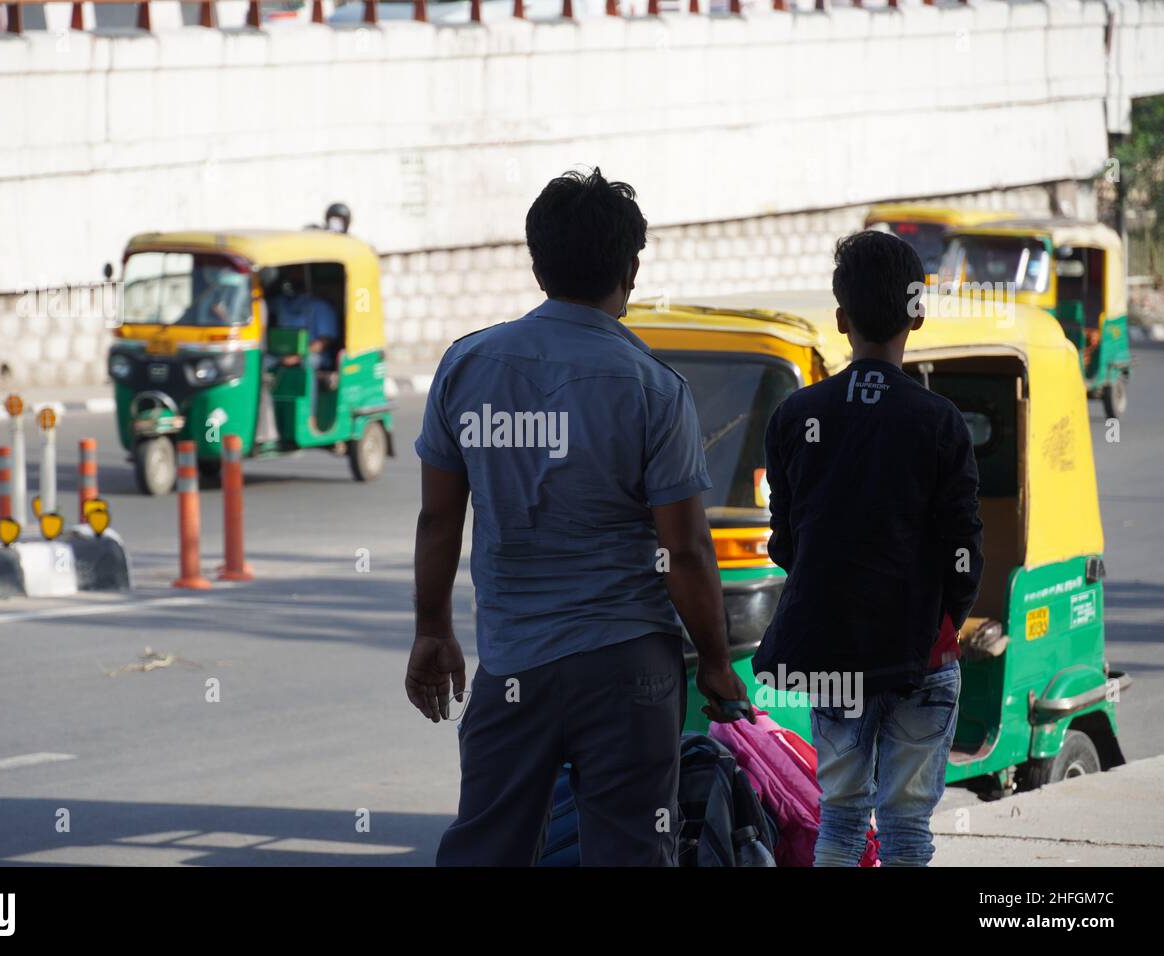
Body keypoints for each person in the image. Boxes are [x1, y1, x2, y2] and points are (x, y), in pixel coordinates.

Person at [406, 168, 752, 867]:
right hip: (629, 670)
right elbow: (683, 551)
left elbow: (439, 521)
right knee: (630, 851)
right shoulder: (655, 387)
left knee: (488, 849)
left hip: (512, 668)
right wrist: (715, 662)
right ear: (630, 268)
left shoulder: (466, 366)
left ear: (537, 265)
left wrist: (432, 631)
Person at [751, 230, 984, 867]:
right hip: (923, 655)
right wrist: (939, 622)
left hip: (836, 657)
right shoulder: (940, 422)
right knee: (909, 831)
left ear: (840, 319)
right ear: (917, 313)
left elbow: (788, 541)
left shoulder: (796, 416)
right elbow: (964, 552)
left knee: (841, 822)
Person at [269, 274, 340, 371]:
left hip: (310, 354)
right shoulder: (281, 302)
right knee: (263, 361)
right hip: (282, 352)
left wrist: (297, 357)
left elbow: (322, 343)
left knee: (312, 360)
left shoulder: (322, 307)